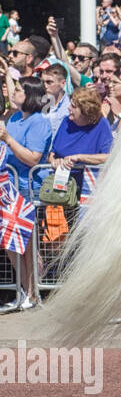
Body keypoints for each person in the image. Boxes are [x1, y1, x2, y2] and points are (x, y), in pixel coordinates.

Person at [0, 76, 53, 310]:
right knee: (11, 242)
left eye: (19, 89)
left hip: (27, 188)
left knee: (29, 246)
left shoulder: (39, 122)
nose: (13, 92)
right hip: (7, 188)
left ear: (30, 95)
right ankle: (23, 291)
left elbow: (33, 158)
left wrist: (8, 140)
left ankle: (33, 293)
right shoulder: (14, 118)